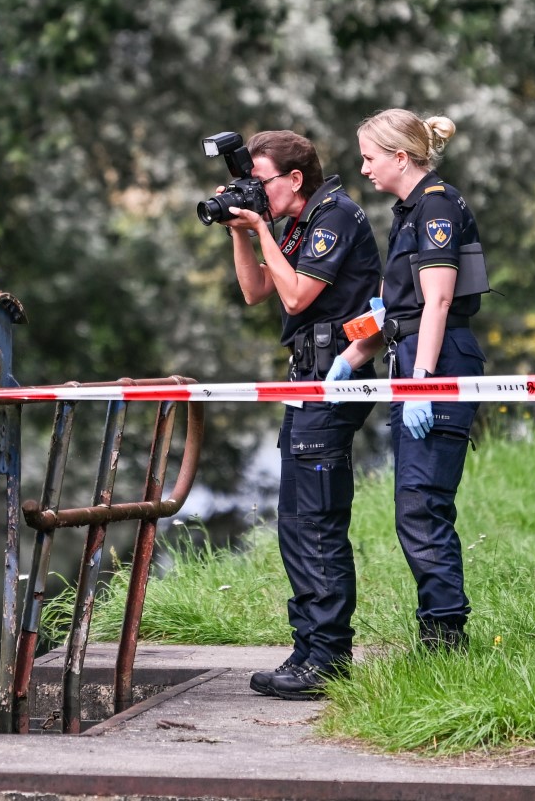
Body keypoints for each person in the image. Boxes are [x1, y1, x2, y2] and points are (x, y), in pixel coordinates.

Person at [217, 131, 383, 700]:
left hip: (334, 382)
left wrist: (261, 228)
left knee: (315, 523)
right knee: (295, 523)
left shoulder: (335, 216)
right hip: (305, 383)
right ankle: (310, 648)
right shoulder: (295, 223)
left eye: (260, 182)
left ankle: (329, 658)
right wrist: (244, 233)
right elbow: (255, 291)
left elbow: (295, 298)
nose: (255, 193)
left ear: (294, 179)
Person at [329, 110, 486, 652]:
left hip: (436, 364)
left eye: (370, 157)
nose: (364, 168)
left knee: (422, 505)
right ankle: (440, 630)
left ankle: (445, 638)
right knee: (414, 505)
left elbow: (438, 300)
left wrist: (421, 380)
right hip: (415, 357)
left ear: (400, 156)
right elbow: (400, 308)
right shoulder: (410, 210)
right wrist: (352, 357)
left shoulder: (437, 205)